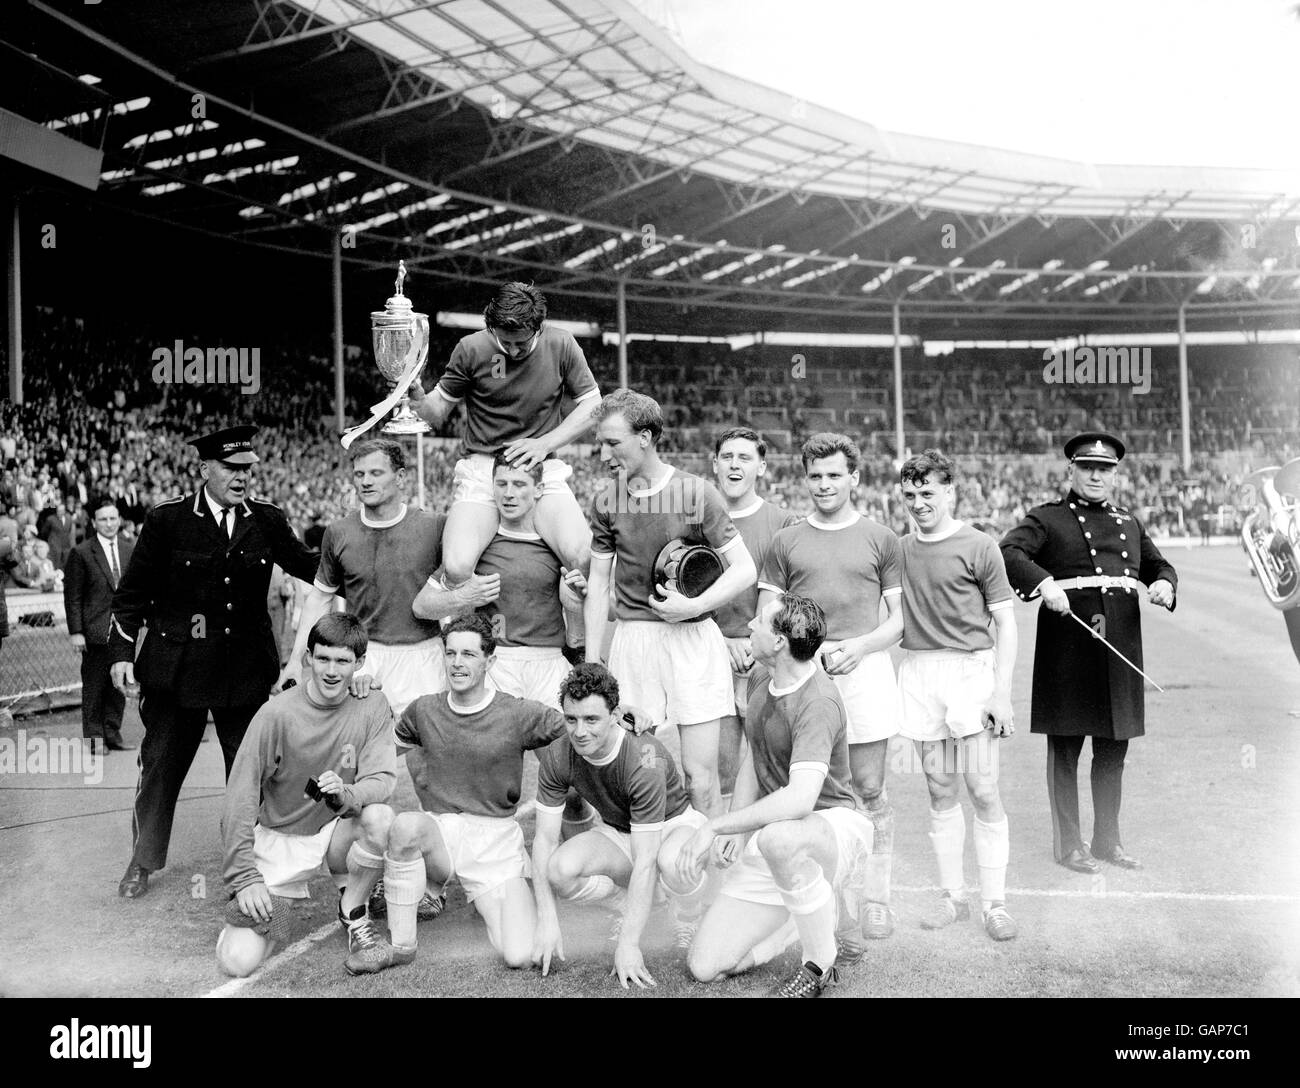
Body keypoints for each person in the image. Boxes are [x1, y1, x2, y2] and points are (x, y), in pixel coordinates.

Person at [108, 425, 322, 900]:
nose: (242, 477)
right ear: (205, 469)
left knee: (248, 772)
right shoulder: (168, 520)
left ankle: (246, 864)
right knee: (160, 767)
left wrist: (361, 555)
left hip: (243, 670)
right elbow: (131, 595)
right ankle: (142, 860)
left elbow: (312, 567)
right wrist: (122, 653)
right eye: (231, 468)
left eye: (247, 468)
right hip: (175, 669)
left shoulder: (266, 519)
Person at [679, 594, 875, 998]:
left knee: (777, 837)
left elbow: (801, 800)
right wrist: (735, 829)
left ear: (781, 641)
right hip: (778, 834)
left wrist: (716, 826)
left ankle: (819, 962)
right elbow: (756, 753)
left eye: (759, 623)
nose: (749, 626)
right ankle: (796, 922)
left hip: (832, 830)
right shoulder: (760, 677)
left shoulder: (818, 700)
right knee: (706, 967)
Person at [1000, 432, 1177, 873]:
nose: (1097, 475)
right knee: (1065, 753)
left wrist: (1164, 584)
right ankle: (1069, 845)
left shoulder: (1129, 522)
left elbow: (1158, 565)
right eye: (1088, 467)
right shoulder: (1047, 519)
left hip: (1120, 651)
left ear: (1114, 474)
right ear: (1071, 471)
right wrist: (1044, 584)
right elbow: (1009, 552)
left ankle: (1107, 841)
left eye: (1105, 469)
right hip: (1070, 652)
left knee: (1113, 751)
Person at [756, 432, 902, 941]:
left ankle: (877, 898)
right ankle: (828, 900)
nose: (824, 484)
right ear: (805, 479)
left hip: (865, 669)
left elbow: (898, 622)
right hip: (803, 674)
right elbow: (766, 617)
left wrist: (861, 647)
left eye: (834, 474)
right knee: (817, 795)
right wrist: (799, 661)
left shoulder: (882, 538)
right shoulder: (786, 541)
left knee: (870, 789)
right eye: (815, 476)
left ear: (854, 478)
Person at [584, 389, 756, 818]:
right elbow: (598, 581)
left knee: (702, 778)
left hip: (693, 640)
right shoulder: (606, 500)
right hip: (634, 642)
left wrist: (693, 607)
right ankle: (647, 873)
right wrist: (591, 660)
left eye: (613, 443)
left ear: (645, 437)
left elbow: (744, 569)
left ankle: (712, 878)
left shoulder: (697, 493)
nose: (603, 453)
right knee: (637, 770)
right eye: (601, 443)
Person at [217, 613, 396, 977]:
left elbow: (382, 780)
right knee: (237, 962)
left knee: (380, 818)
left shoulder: (372, 703)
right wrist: (245, 878)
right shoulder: (275, 715)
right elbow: (239, 798)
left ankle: (354, 906)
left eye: (343, 661)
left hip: (335, 831)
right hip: (284, 837)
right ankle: (261, 898)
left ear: (359, 663)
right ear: (308, 659)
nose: (332, 671)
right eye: (323, 658)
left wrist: (345, 793)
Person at [896, 449, 1018, 941]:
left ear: (950, 491)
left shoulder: (980, 545)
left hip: (971, 671)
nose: (919, 503)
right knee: (939, 789)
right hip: (919, 672)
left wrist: (1002, 694)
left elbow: (1006, 622)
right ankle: (954, 897)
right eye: (910, 495)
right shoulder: (899, 548)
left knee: (983, 790)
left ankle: (995, 903)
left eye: (928, 493)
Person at [409, 281, 599, 587]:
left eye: (520, 344)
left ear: (539, 328)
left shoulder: (562, 344)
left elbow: (594, 404)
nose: (511, 350)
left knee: (583, 557)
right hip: (483, 468)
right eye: (504, 341)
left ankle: (575, 635)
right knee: (456, 567)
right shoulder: (471, 348)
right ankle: (468, 634)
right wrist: (419, 402)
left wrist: (544, 444)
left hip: (541, 468)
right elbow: (438, 410)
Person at [530, 662, 708, 988]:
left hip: (673, 826)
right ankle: (634, 906)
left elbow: (646, 859)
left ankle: (689, 913)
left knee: (669, 863)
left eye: (591, 719)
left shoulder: (644, 757)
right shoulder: (558, 754)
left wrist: (628, 945)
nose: (580, 731)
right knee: (560, 870)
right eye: (572, 719)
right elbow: (543, 840)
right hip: (619, 829)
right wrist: (547, 919)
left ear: (614, 715)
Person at [279, 438, 446, 715]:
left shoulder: (434, 526)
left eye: (376, 473)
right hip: (364, 657)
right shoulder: (339, 532)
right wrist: (295, 660)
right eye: (359, 474)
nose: (365, 481)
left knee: (422, 754)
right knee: (360, 752)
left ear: (401, 477)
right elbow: (320, 598)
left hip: (423, 655)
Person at [710, 427, 800, 800]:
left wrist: (753, 644)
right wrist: (722, 641)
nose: (735, 465)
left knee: (772, 771)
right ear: (714, 464)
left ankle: (767, 854)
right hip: (710, 654)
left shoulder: (781, 521)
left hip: (767, 659)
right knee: (721, 773)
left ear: (761, 467)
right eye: (727, 457)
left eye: (745, 458)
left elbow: (785, 592)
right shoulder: (696, 518)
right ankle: (723, 854)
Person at [63, 499, 136, 753]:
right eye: (103, 519)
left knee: (118, 686)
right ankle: (95, 739)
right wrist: (76, 632)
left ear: (119, 520)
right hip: (94, 631)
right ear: (94, 523)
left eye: (113, 518)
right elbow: (72, 596)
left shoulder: (129, 549)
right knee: (94, 688)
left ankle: (112, 733)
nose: (109, 524)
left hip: (123, 631)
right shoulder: (82, 552)